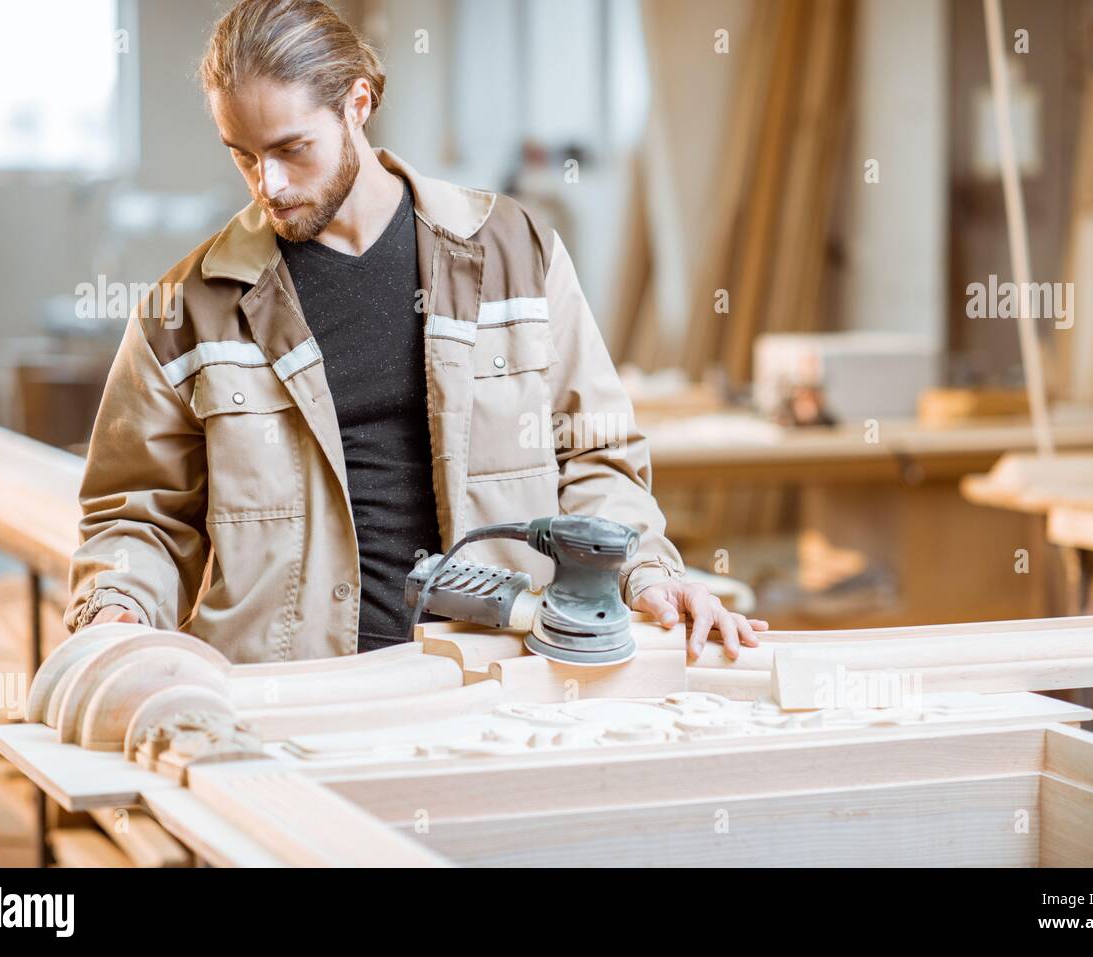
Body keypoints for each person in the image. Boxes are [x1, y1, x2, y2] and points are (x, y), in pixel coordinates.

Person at [65, 0, 766, 663]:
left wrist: (642, 569)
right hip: (289, 697)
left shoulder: (514, 254)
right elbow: (139, 517)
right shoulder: (189, 310)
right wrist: (117, 604)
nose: (268, 184)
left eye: (291, 148)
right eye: (243, 155)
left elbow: (596, 454)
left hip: (496, 683)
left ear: (358, 104)